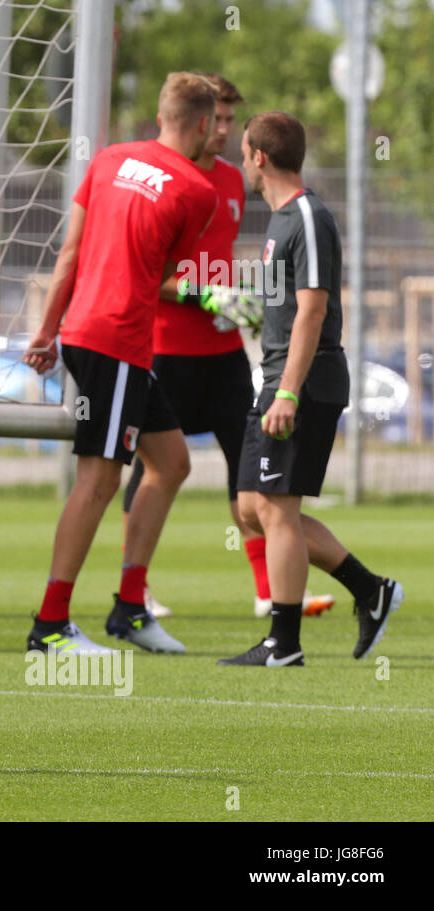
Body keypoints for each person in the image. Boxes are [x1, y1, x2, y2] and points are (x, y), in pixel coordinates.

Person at [119, 73, 334, 622]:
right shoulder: (162, 180)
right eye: (214, 118)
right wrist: (204, 292)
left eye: (229, 119)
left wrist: (245, 295)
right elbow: (152, 273)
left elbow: (219, 264)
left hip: (222, 356)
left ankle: (269, 591)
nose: (222, 128)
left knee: (253, 473)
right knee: (154, 470)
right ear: (193, 119)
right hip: (164, 351)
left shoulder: (236, 184)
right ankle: (133, 591)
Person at [21, 72, 219, 655]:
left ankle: (130, 608)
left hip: (90, 330)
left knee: (171, 462)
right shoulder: (198, 191)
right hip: (117, 341)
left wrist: (47, 329)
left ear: (161, 115)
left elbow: (71, 253)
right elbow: (163, 278)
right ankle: (50, 625)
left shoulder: (110, 159)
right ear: (205, 125)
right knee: (100, 479)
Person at [219, 111, 402, 667]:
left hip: (304, 384)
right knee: (253, 508)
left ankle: (284, 644)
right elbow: (283, 310)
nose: (239, 159)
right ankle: (370, 589)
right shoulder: (279, 221)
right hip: (276, 379)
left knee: (275, 508)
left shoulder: (307, 215)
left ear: (259, 157)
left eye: (242, 149)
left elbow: (314, 308)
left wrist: (289, 393)